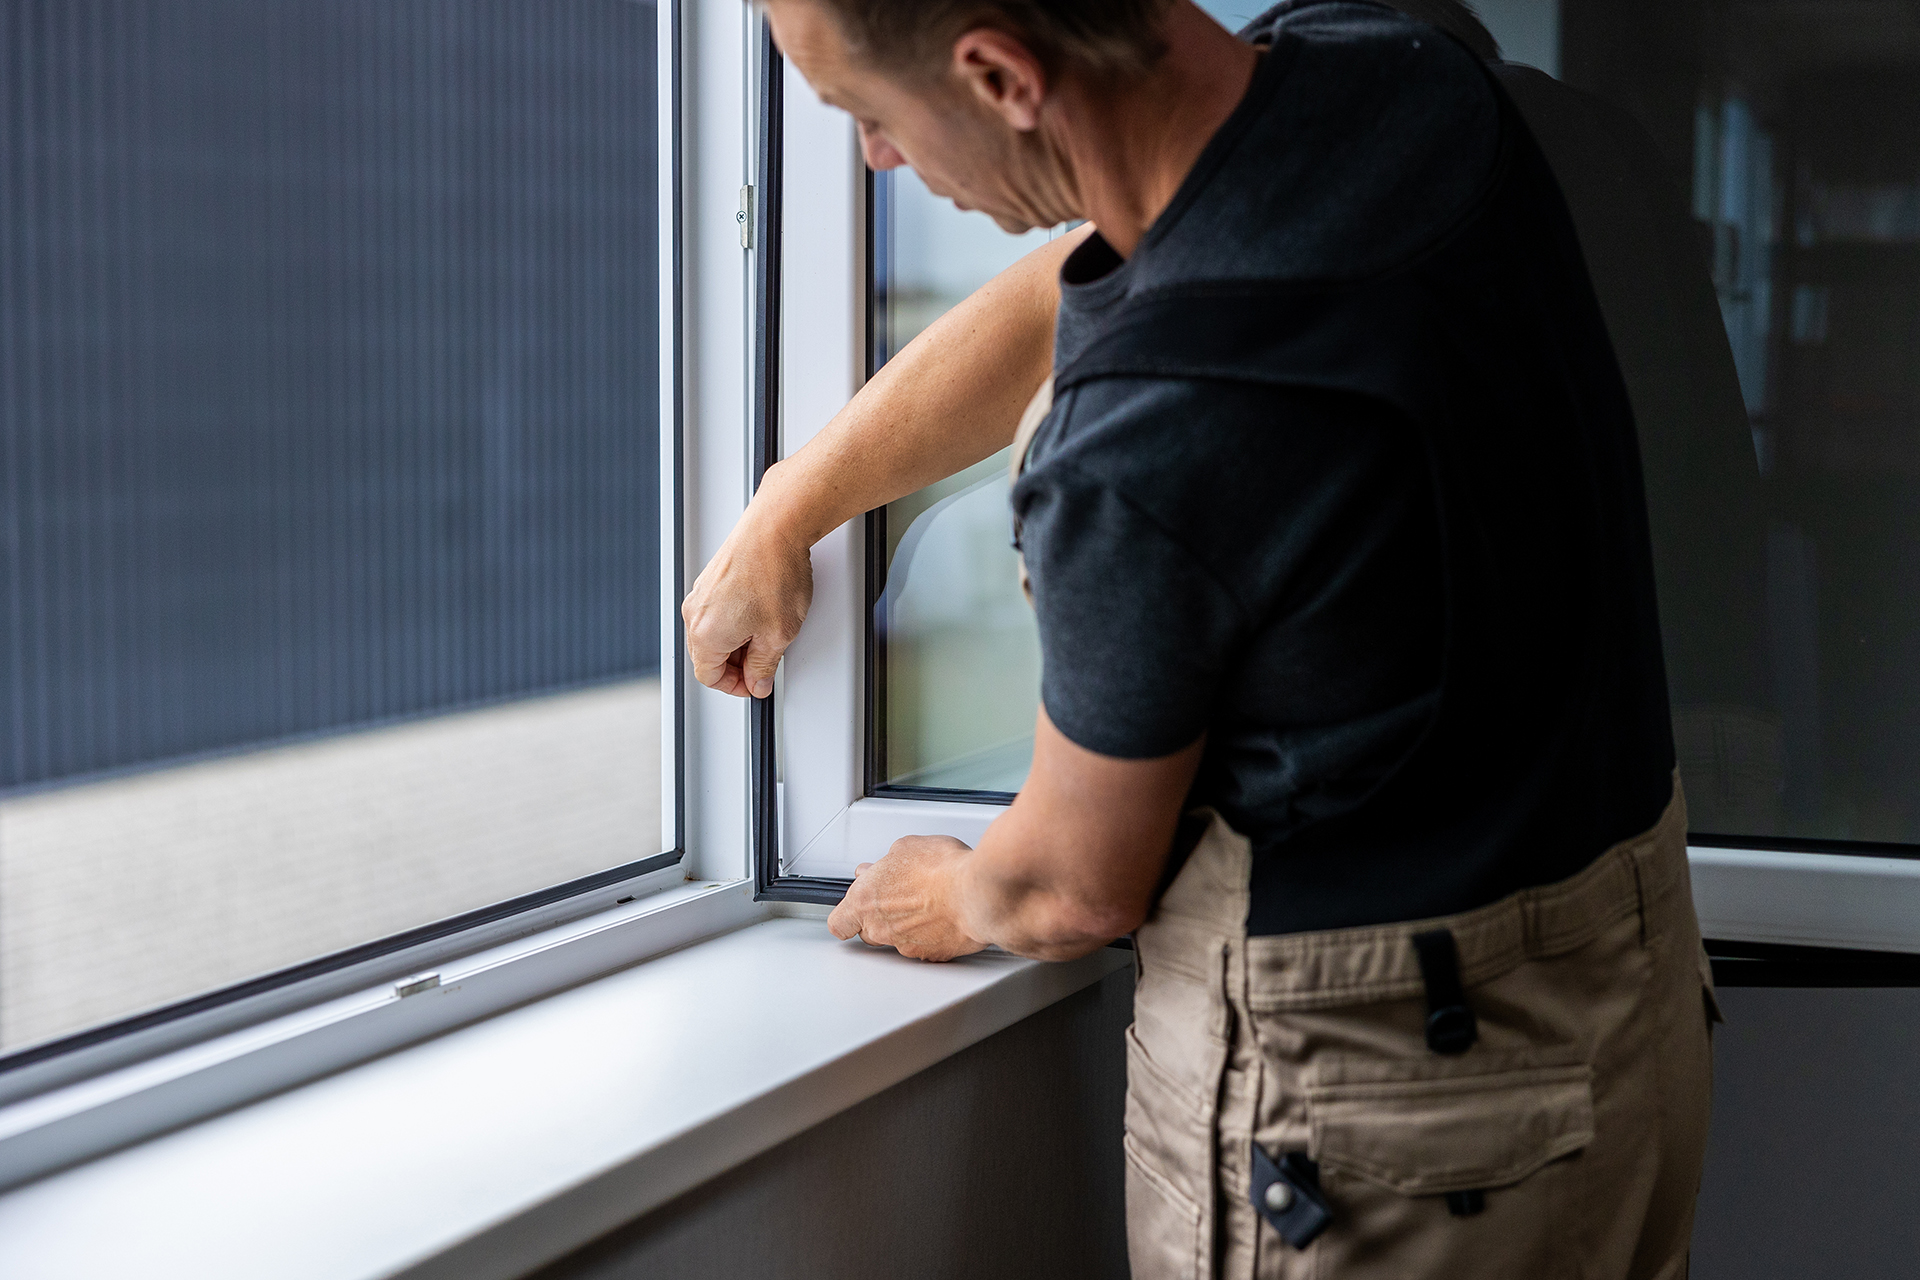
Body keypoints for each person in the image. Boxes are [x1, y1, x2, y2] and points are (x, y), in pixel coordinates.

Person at [683, 2, 1717, 1275]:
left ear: (1001, 74)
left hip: (1398, 1133)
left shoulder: (1153, 424)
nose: (876, 161)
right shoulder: (1407, 84)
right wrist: (797, 501)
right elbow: (1078, 286)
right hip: (1624, 997)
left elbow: (1073, 881)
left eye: (868, 114)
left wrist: (953, 887)